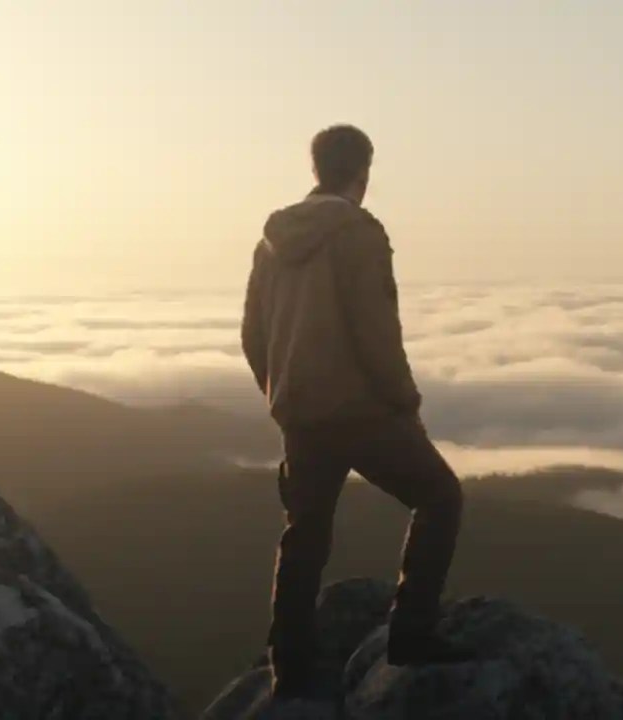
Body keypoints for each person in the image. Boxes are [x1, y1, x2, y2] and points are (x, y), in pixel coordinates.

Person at [241, 124, 472, 705]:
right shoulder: (360, 234)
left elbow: (252, 334)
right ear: (362, 174)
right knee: (441, 498)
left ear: (316, 169)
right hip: (361, 411)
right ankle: (411, 634)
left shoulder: (272, 242)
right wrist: (404, 401)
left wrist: (281, 393)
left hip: (301, 414)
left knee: (305, 537)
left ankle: (288, 668)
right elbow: (377, 332)